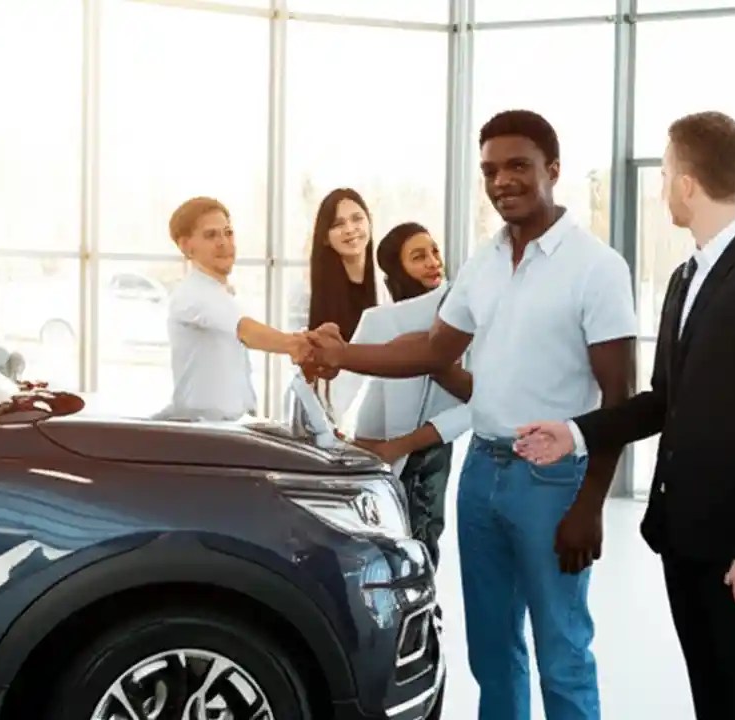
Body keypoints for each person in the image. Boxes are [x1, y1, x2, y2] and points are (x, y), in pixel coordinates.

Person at [301, 110, 637, 720]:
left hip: (551, 479)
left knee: (562, 651)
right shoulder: (484, 262)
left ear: (552, 171)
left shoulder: (597, 267)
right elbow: (433, 350)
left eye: (517, 166)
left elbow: (619, 397)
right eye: (489, 170)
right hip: (481, 474)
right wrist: (341, 354)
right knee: (492, 650)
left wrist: (590, 504)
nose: (501, 180)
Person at [515, 111, 735, 720]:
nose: (661, 189)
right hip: (687, 537)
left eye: (666, 173)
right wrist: (574, 432)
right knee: (713, 697)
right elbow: (663, 400)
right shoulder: (685, 276)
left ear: (685, 184)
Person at [349, 222, 470, 566]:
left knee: (418, 556)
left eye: (434, 252)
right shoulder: (380, 321)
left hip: (427, 455)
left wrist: (400, 446)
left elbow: (478, 404)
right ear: (397, 269)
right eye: (419, 257)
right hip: (378, 459)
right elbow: (350, 382)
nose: (434, 262)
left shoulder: (462, 317)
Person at [162, 196, 311, 421]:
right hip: (205, 433)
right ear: (186, 246)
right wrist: (298, 345)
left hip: (229, 429)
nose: (223, 243)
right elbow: (247, 332)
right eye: (211, 235)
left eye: (228, 233)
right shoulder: (192, 294)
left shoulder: (222, 295)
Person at [305, 188, 381, 427]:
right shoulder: (312, 291)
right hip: (339, 411)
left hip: (387, 404)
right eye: (338, 224)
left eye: (357, 218)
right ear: (326, 237)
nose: (350, 229)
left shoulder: (390, 281)